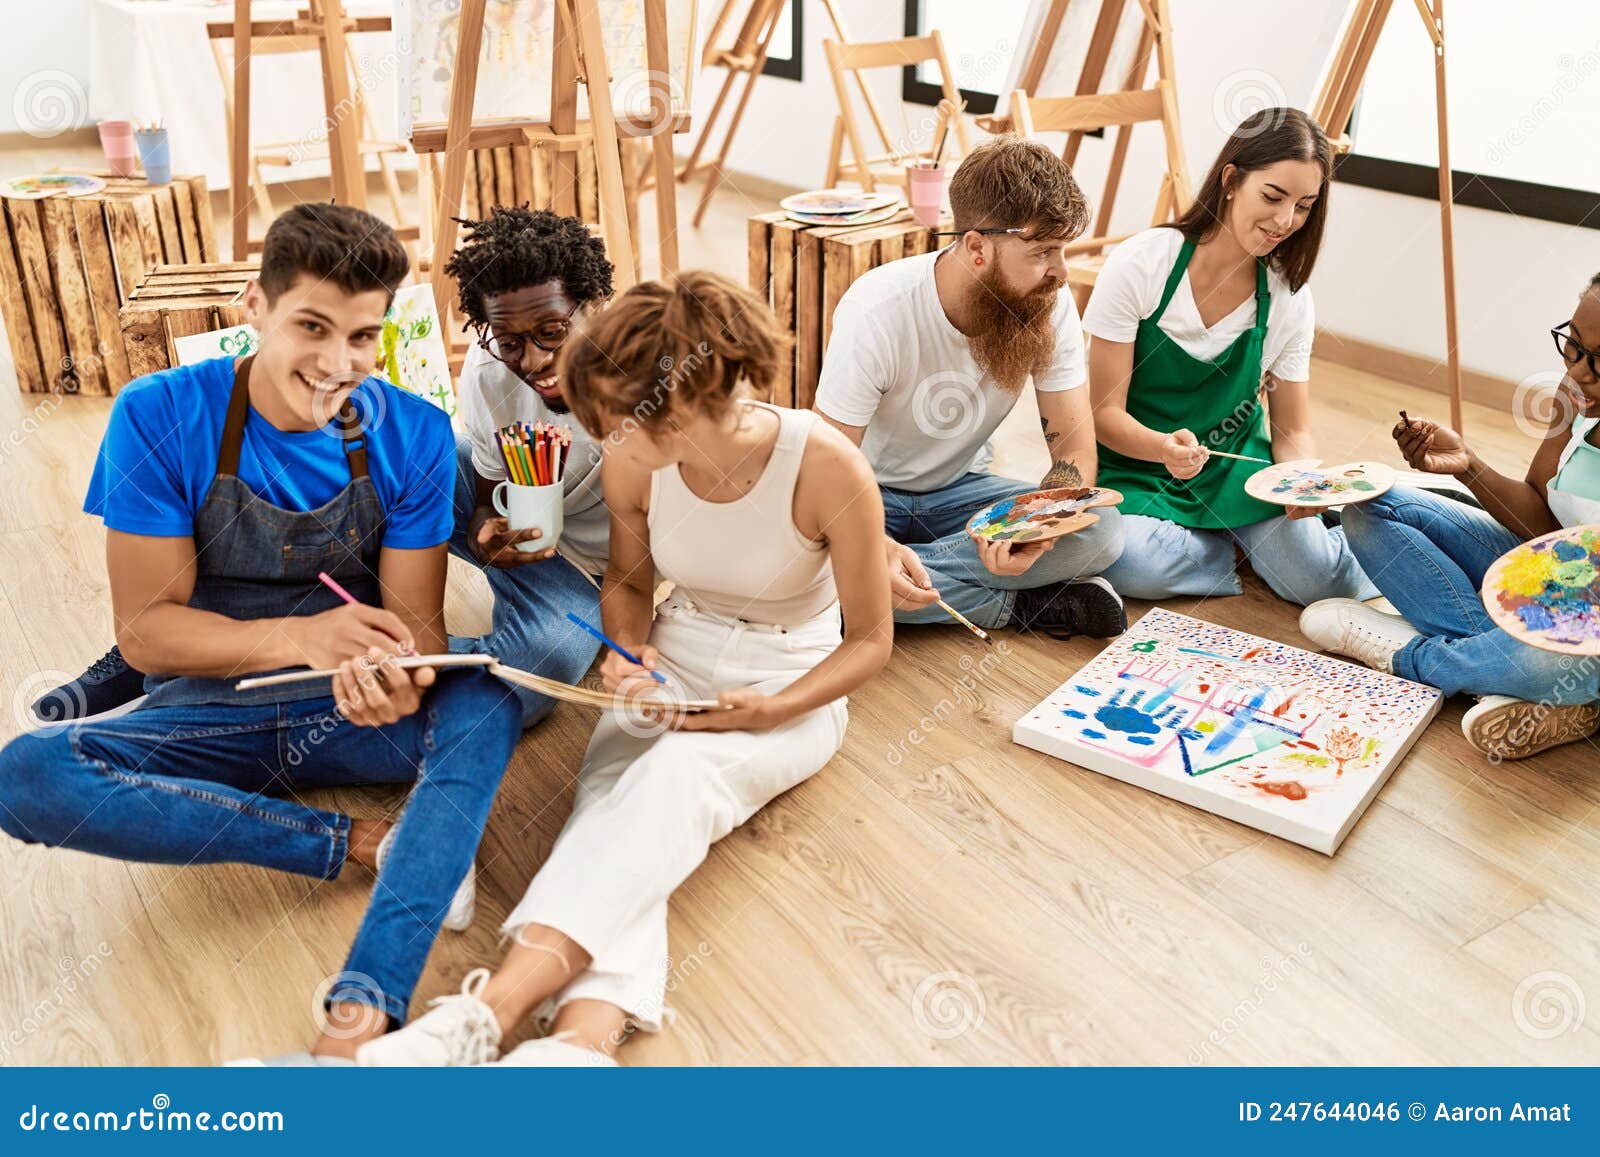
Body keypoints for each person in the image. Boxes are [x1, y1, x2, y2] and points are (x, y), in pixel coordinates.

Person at [0, 204, 521, 1062]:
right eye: (311, 327)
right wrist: (305, 641)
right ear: (254, 305)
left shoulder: (417, 434)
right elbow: (146, 636)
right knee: (27, 773)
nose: (337, 364)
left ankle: (356, 1024)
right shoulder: (159, 413)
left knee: (489, 694)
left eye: (363, 337)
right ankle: (369, 844)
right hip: (213, 704)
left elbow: (418, 630)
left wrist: (400, 675)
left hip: (354, 716)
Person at [355, 271, 893, 1066]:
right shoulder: (634, 460)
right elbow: (630, 582)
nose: (600, 435)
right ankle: (576, 1048)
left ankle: (485, 1016)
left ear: (673, 411)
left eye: (615, 420)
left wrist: (775, 710)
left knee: (672, 778)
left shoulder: (824, 464)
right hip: (676, 654)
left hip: (792, 679)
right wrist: (629, 653)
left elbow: (869, 641)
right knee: (611, 809)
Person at [814, 135, 1125, 638]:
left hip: (961, 491)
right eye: (1044, 251)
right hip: (864, 495)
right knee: (799, 556)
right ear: (977, 246)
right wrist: (873, 543)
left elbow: (1073, 445)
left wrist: (1037, 530)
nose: (1062, 273)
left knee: (1103, 533)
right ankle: (1019, 609)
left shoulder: (1050, 305)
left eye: (1063, 249)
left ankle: (871, 590)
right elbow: (824, 470)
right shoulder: (877, 309)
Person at [1301, 275, 1600, 760]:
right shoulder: (1574, 396)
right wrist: (1469, 467)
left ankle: (1406, 655)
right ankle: (1516, 680)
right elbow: (1540, 523)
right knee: (1371, 507)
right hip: (1549, 571)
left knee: (1572, 666)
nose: (1580, 372)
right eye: (1574, 347)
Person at [1084, 107, 1374, 607]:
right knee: (1130, 561)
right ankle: (1237, 547)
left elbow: (1290, 428)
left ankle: (1248, 543)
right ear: (1231, 181)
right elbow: (1102, 413)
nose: (1286, 221)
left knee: (1319, 581)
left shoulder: (1288, 296)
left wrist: (1301, 483)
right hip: (1138, 463)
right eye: (1273, 196)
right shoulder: (1141, 264)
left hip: (1235, 470)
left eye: (1304, 206)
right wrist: (1163, 450)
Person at [443, 207, 616, 726]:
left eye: (552, 331)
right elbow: (484, 490)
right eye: (511, 341)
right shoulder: (489, 369)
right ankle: (322, 626)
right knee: (400, 453)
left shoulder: (647, 374)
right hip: (527, 534)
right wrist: (482, 531)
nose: (534, 360)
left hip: (590, 571)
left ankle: (409, 670)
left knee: (548, 660)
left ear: (597, 306)